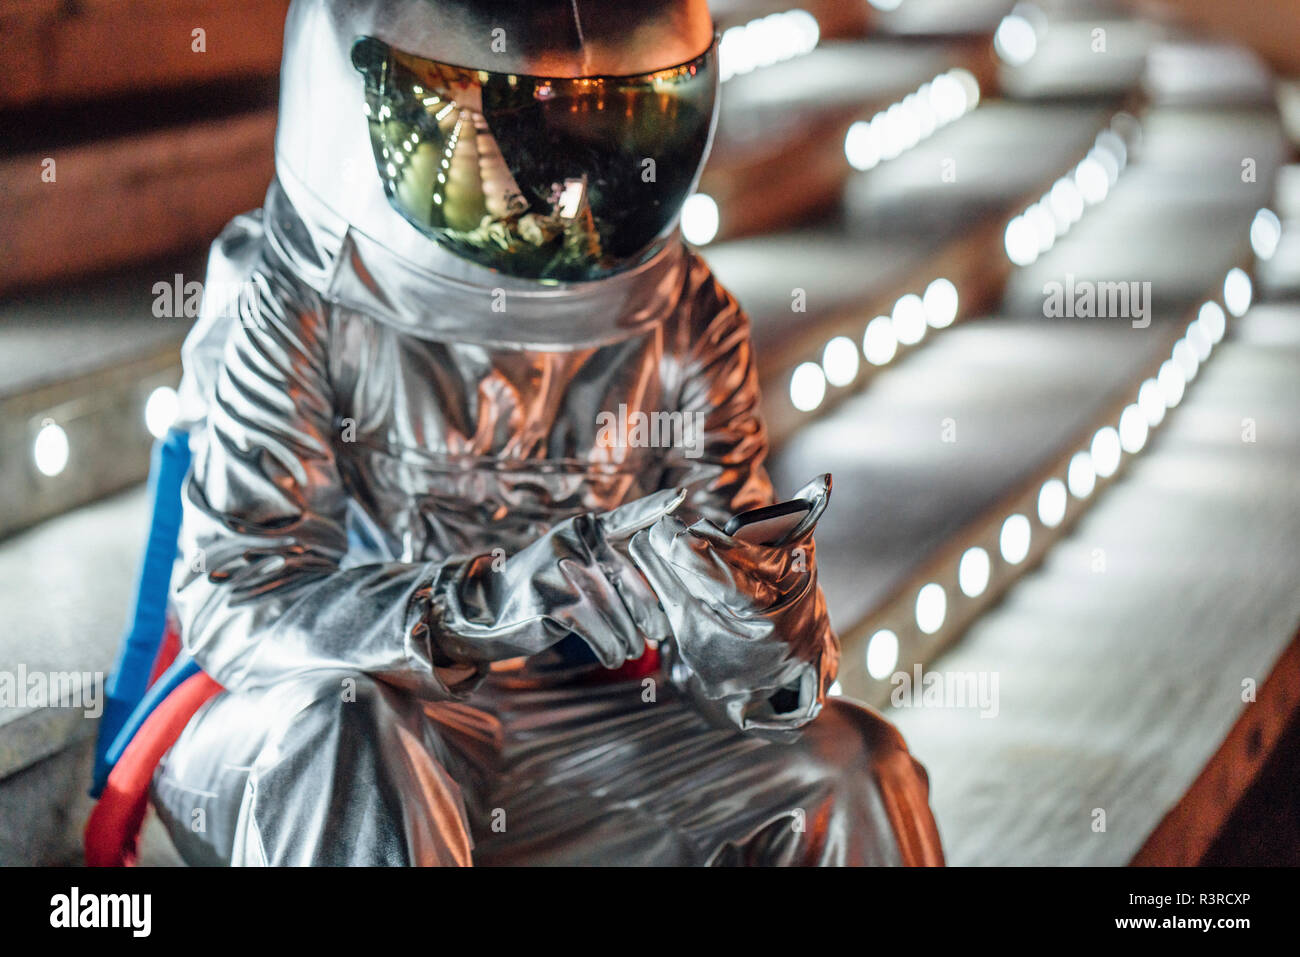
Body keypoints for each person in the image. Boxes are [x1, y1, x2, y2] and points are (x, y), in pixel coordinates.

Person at [152, 0, 944, 866]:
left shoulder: (682, 316)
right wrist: (485, 607)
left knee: (854, 767)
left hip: (568, 728)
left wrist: (749, 614)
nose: (561, 201)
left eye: (606, 131)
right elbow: (238, 602)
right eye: (519, 136)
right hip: (339, 712)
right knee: (348, 731)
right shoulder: (301, 300)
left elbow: (752, 687)